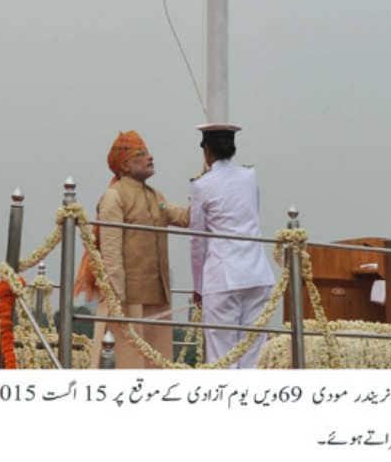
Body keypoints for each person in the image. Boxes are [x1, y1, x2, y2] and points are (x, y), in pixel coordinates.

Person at [74, 130, 189, 368]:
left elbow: (183, 217)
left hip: (157, 296)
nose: (150, 158)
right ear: (125, 165)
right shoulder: (113, 197)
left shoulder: (155, 195)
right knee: (127, 362)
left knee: (157, 363)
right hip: (126, 300)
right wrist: (117, 299)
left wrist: (205, 189)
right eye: (142, 154)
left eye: (148, 153)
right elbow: (111, 253)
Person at [189, 123, 274, 368]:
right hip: (257, 273)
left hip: (223, 277)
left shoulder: (201, 186)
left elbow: (198, 240)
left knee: (222, 357)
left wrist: (198, 286)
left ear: (206, 151)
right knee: (251, 355)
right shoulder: (250, 176)